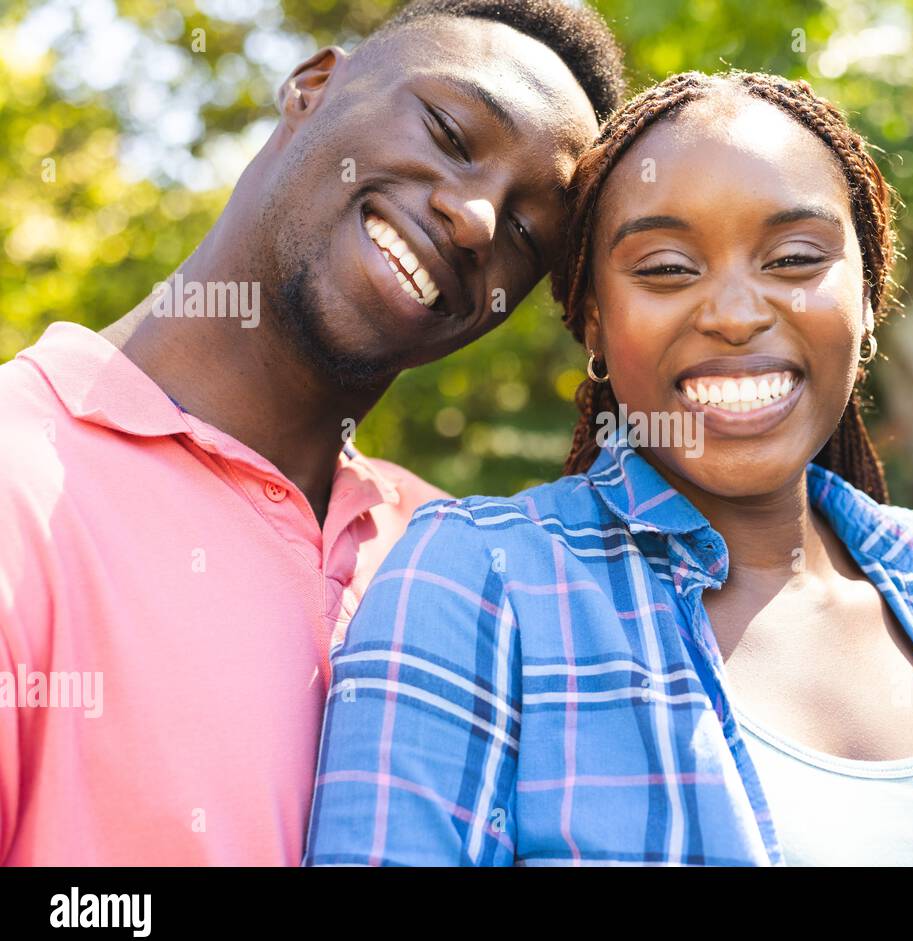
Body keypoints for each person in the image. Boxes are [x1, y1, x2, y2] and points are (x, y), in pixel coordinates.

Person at [303, 70, 913, 866]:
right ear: (594, 322)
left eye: (796, 259)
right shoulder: (478, 579)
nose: (736, 314)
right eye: (667, 268)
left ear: (868, 296)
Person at [0, 0, 624, 865]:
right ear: (312, 87)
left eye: (525, 232)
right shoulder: (18, 483)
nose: (478, 219)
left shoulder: (461, 563)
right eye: (449, 130)